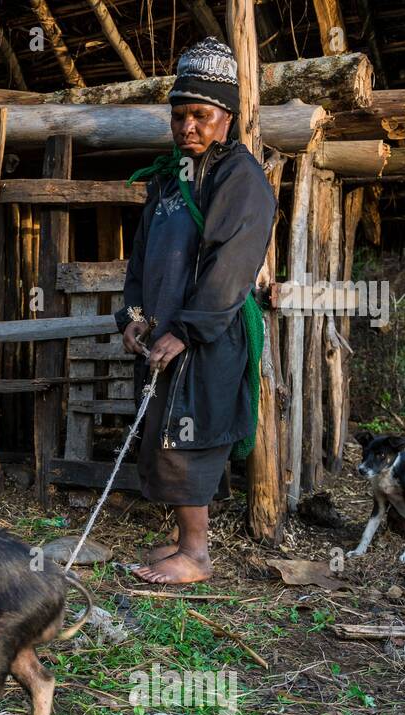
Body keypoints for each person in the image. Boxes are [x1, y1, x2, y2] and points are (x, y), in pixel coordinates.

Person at [114, 37, 277, 584]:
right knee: (161, 428)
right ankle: (184, 539)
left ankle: (198, 554)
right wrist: (133, 316)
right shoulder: (166, 179)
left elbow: (231, 265)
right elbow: (140, 260)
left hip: (209, 335)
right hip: (165, 331)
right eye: (179, 115)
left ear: (225, 118)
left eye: (201, 116)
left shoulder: (240, 179)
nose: (188, 127)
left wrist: (186, 329)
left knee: (190, 433)